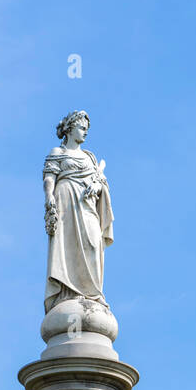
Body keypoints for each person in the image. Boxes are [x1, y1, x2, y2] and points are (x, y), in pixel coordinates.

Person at [43, 110, 114, 316]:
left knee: (93, 242)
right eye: (82, 128)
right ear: (70, 128)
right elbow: (49, 178)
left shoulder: (90, 157)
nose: (85, 133)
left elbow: (101, 183)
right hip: (65, 201)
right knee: (66, 245)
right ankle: (67, 293)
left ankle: (92, 293)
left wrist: (98, 187)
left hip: (87, 205)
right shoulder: (58, 153)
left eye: (86, 129)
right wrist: (49, 197)